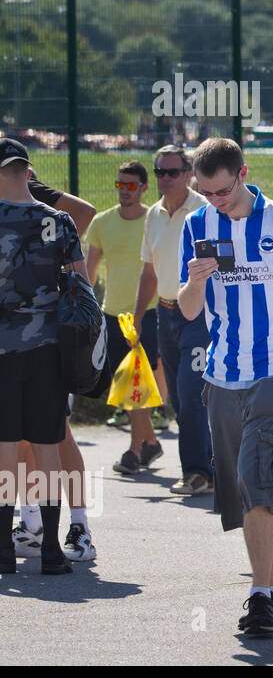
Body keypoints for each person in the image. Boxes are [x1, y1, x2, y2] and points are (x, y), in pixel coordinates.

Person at [178, 138, 273, 636]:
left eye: (221, 191)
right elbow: (188, 309)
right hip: (222, 372)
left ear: (242, 174)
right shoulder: (197, 225)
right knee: (243, 488)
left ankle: (261, 596)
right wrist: (196, 281)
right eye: (206, 193)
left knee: (261, 478)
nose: (214, 201)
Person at [0, 139, 86, 575]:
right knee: (48, 447)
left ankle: (3, 550)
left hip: (2, 352)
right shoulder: (59, 220)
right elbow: (82, 287)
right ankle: (51, 550)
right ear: (27, 171)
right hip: (49, 350)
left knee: (5, 448)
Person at [135, 146, 211, 496]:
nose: (166, 178)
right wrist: (137, 318)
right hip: (165, 313)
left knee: (190, 393)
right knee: (180, 401)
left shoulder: (205, 212)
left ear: (188, 173)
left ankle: (197, 472)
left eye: (173, 172)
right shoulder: (152, 214)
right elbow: (148, 271)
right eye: (160, 172)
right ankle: (209, 466)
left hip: (197, 313)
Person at [86, 161, 164, 476]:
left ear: (144, 188)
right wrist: (83, 308)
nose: (124, 191)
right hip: (112, 314)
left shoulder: (155, 221)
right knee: (127, 382)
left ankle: (135, 450)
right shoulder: (102, 223)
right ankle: (150, 442)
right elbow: (88, 271)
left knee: (135, 381)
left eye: (131, 186)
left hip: (147, 311)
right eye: (120, 185)